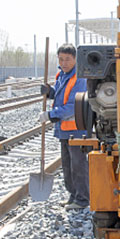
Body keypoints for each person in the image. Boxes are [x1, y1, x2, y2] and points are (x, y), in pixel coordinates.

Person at [40, 45, 89, 210]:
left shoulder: (79, 78)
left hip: (77, 130)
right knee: (67, 166)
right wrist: (50, 92)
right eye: (61, 59)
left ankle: (82, 199)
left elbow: (72, 105)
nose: (64, 63)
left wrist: (51, 115)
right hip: (64, 130)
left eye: (67, 59)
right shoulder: (61, 75)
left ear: (75, 59)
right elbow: (61, 96)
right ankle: (73, 196)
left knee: (78, 166)